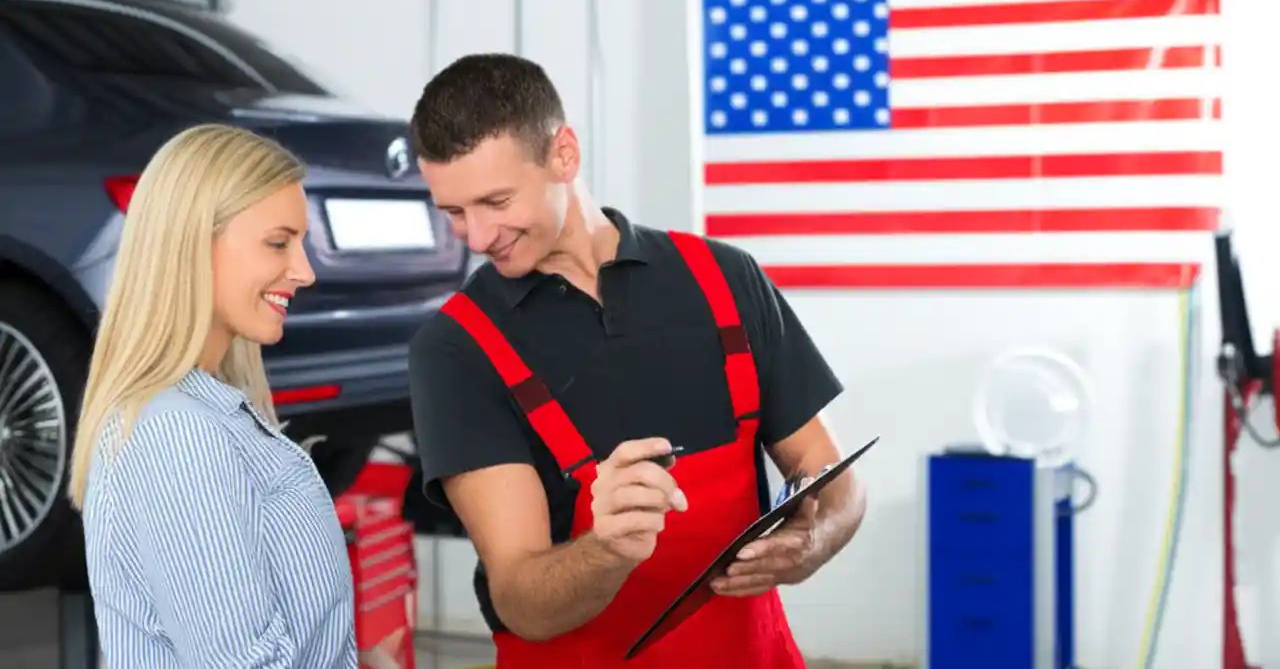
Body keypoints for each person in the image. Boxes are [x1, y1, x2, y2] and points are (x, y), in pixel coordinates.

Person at [407, 53, 869, 668]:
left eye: (495, 201)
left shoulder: (726, 279)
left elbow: (835, 481)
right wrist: (606, 550)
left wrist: (813, 539)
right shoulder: (457, 348)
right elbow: (519, 597)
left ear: (563, 155)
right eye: (454, 213)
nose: (477, 236)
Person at [67, 124, 357, 668]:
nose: (305, 272)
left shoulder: (203, 415)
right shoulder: (177, 432)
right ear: (194, 242)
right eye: (279, 242)